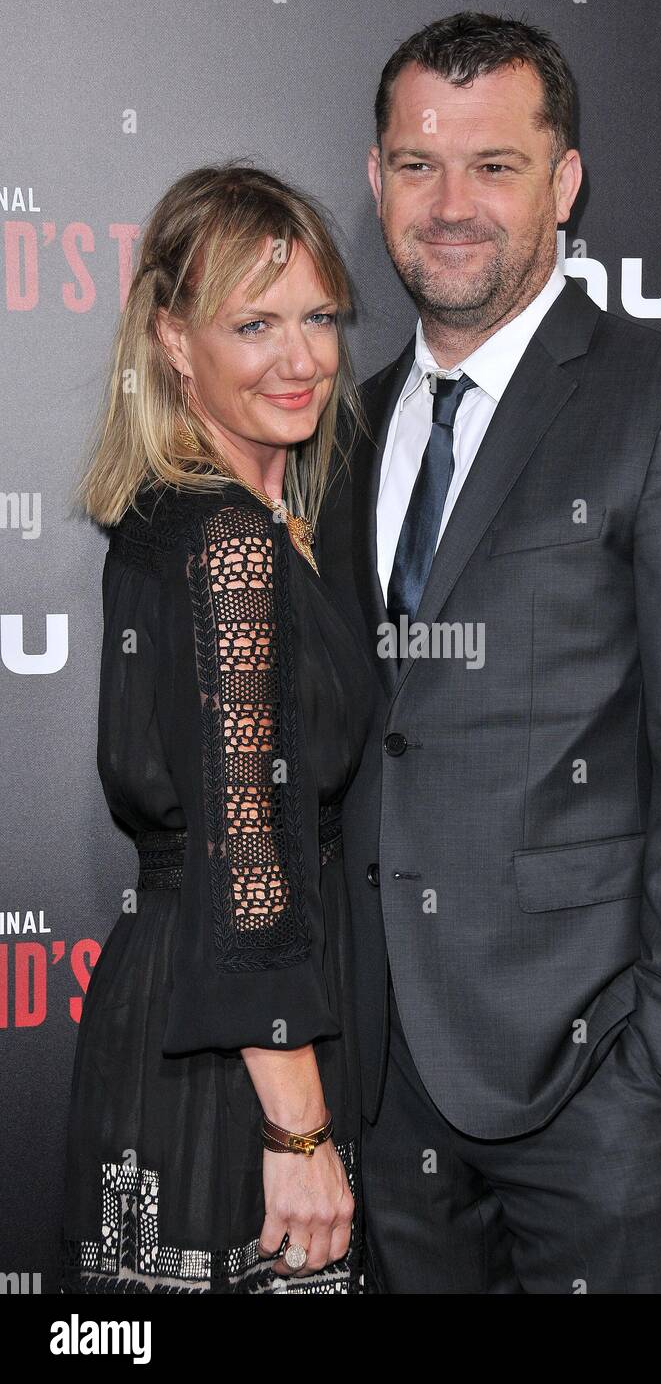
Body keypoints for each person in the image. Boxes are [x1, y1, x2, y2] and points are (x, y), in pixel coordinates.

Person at [317, 12, 661, 1293]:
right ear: (375, 180)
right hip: (384, 1080)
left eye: (496, 163)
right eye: (417, 165)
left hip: (598, 1086)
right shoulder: (345, 432)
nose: (451, 202)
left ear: (564, 181)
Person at [61, 162, 375, 1293]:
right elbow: (247, 860)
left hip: (181, 1024)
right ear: (173, 339)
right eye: (255, 323)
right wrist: (297, 1136)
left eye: (318, 317)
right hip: (240, 1068)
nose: (303, 358)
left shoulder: (178, 516)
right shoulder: (229, 544)